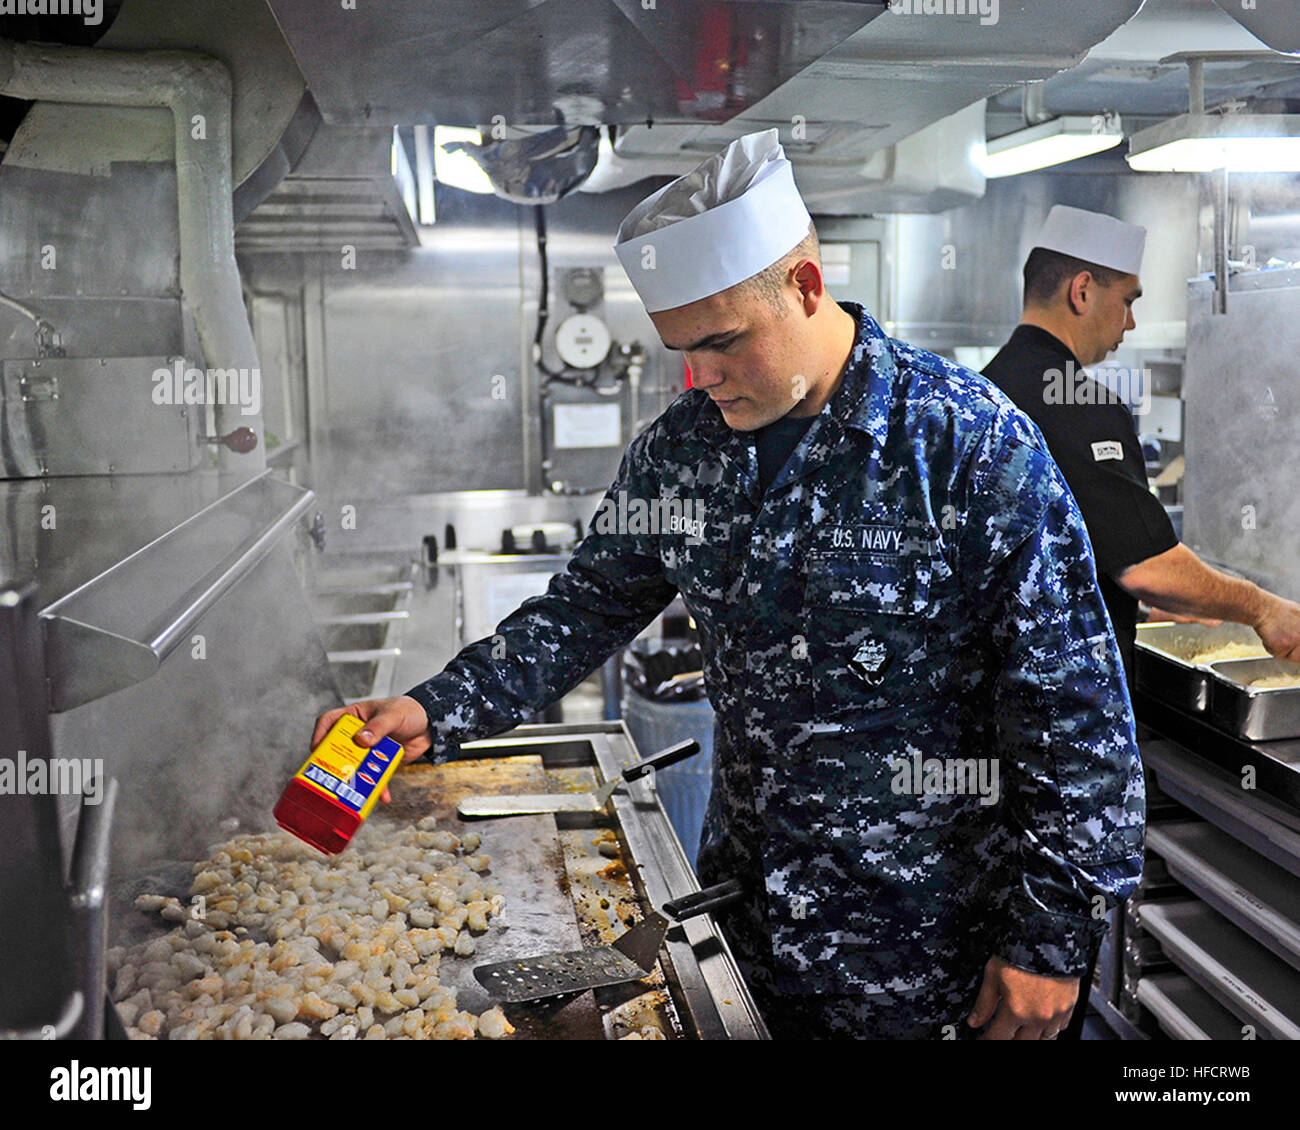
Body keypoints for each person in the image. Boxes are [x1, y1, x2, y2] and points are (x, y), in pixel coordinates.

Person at [313, 131, 1145, 1040]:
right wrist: (438, 709)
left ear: (804, 287)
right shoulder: (684, 452)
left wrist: (1051, 942)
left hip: (932, 960)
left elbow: (1076, 713)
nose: (699, 378)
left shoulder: (967, 445)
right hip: (749, 935)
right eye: (681, 350)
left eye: (720, 343)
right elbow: (585, 606)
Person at [983, 205, 1300, 1039]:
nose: (1130, 324)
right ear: (1081, 290)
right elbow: (1146, 568)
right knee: (1042, 986)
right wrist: (1265, 608)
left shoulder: (978, 391)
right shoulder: (1079, 404)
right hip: (1052, 749)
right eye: (1126, 300)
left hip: (980, 740)